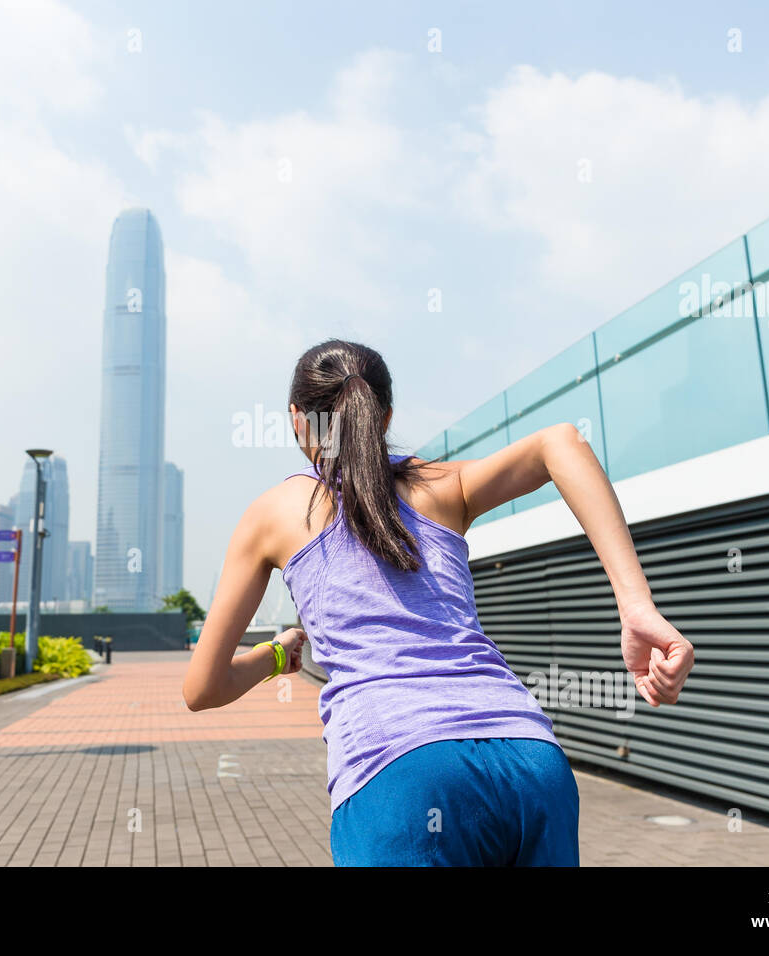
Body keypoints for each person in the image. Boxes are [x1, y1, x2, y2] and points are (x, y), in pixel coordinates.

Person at [182, 339, 695, 866]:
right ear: (384, 416)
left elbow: (202, 688)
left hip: (401, 774)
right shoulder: (441, 485)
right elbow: (559, 443)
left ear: (296, 419)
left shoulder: (274, 512)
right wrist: (637, 608)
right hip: (531, 759)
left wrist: (276, 656)